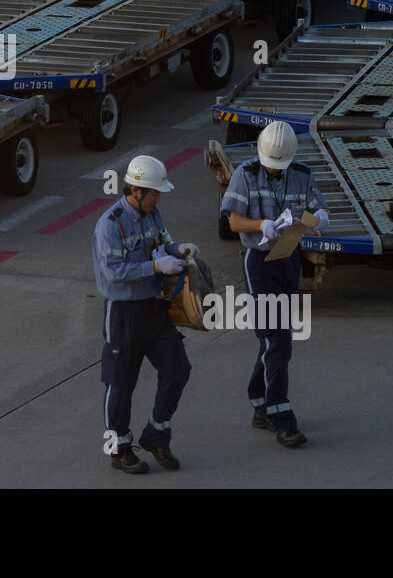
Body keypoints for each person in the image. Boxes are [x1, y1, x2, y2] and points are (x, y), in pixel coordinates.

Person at [220, 120, 328, 448]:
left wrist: (319, 217)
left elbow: (317, 207)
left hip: (288, 259)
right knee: (279, 341)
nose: (274, 169)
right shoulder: (246, 174)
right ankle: (281, 418)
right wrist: (261, 224)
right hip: (260, 263)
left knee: (272, 340)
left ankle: (259, 401)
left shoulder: (302, 174)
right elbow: (233, 218)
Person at [92, 154, 200, 474]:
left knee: (177, 369)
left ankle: (156, 434)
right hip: (124, 314)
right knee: (120, 383)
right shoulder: (110, 225)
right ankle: (119, 450)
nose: (159, 197)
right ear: (136, 190)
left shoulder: (153, 214)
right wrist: (154, 266)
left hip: (155, 309)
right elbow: (113, 272)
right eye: (155, 192)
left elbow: (164, 243)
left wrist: (179, 251)